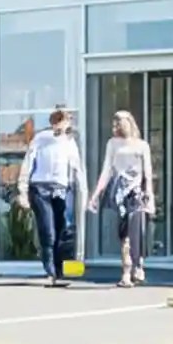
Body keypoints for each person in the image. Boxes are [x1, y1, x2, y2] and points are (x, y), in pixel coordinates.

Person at [16, 106, 87, 287]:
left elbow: (77, 167)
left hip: (61, 188)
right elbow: (28, 163)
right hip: (40, 187)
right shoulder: (41, 139)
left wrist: (83, 191)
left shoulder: (69, 142)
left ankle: (59, 269)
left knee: (62, 228)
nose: (61, 125)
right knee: (48, 230)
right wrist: (23, 190)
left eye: (64, 121)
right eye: (58, 121)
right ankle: (50, 270)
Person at [88, 110, 154, 287]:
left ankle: (138, 266)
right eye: (115, 124)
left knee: (137, 231)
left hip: (138, 193)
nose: (116, 127)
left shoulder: (142, 145)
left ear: (129, 123)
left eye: (120, 123)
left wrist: (149, 195)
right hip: (120, 193)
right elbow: (106, 170)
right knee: (124, 234)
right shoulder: (113, 144)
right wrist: (96, 194)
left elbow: (147, 172)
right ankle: (126, 271)